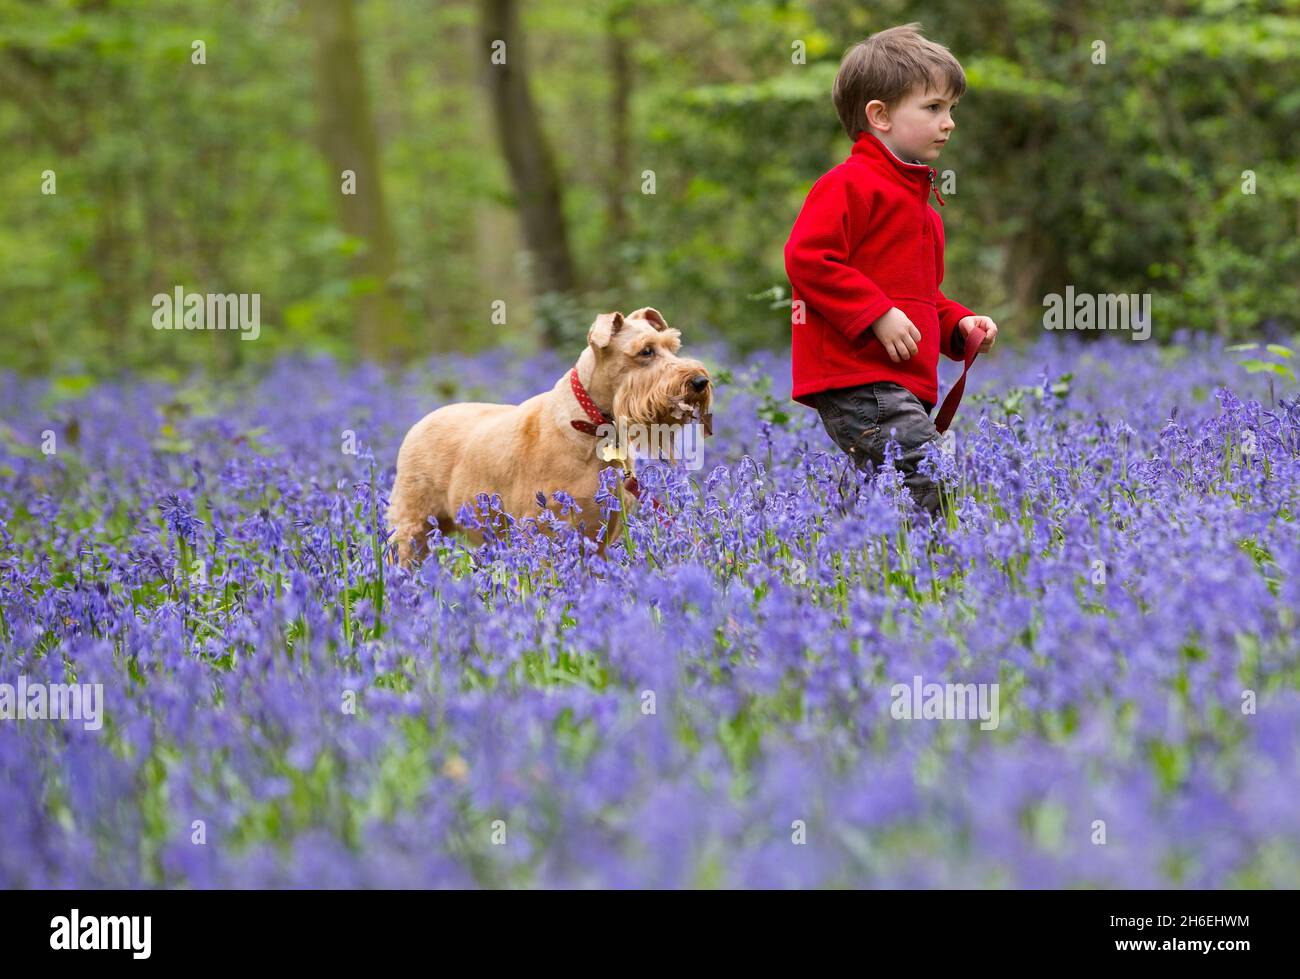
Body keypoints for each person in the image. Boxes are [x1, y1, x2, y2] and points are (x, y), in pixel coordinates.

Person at [784, 23, 998, 517]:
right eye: (933, 108)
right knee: (930, 478)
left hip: (899, 383)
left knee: (878, 502)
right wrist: (876, 313)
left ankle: (848, 572)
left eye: (951, 110)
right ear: (879, 116)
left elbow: (926, 298)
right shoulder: (848, 186)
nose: (949, 123)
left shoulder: (925, 214)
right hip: (859, 380)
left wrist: (960, 325)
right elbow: (806, 258)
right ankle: (945, 578)